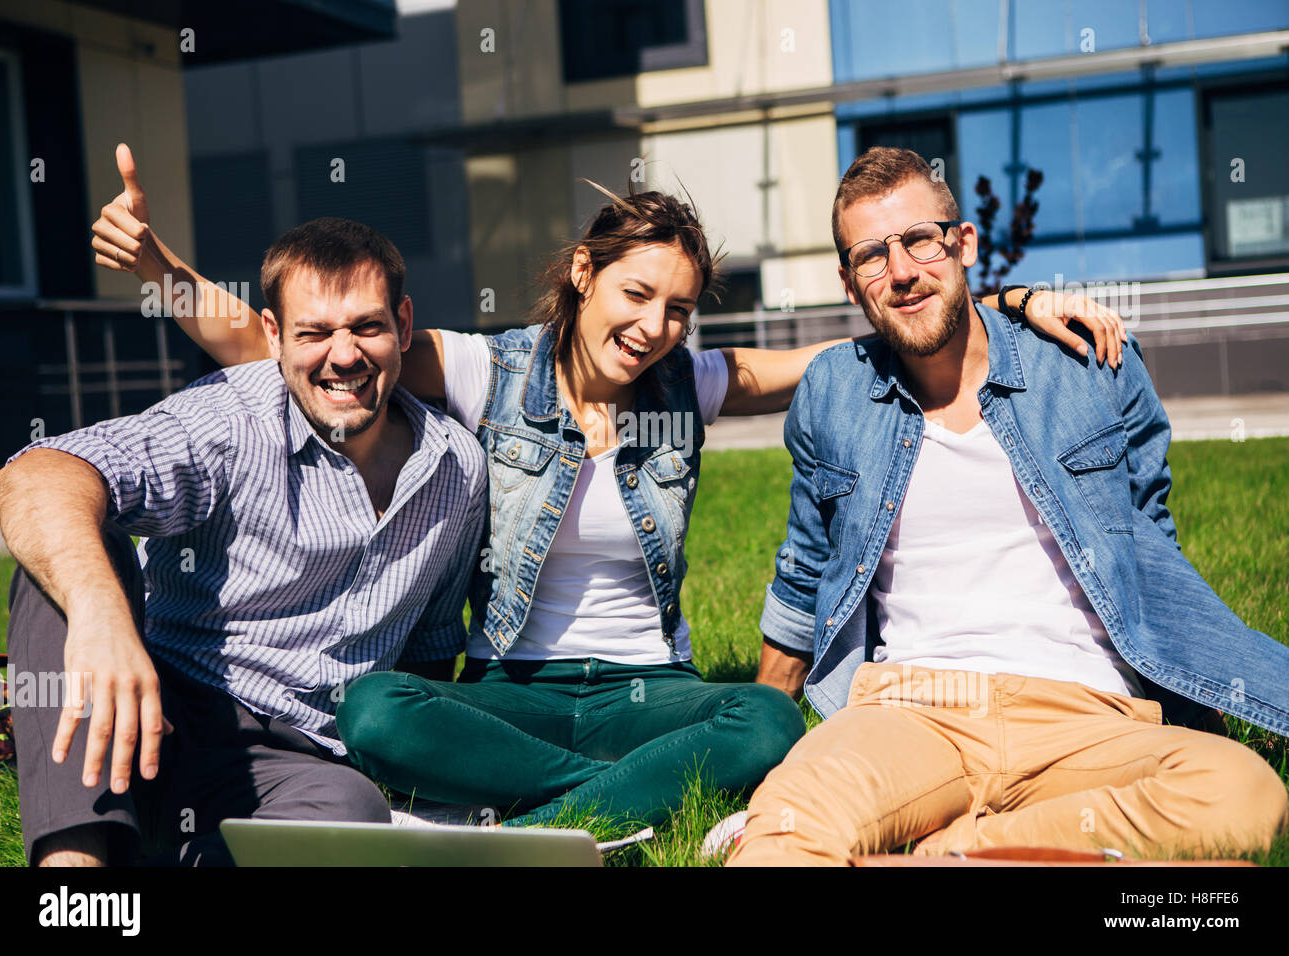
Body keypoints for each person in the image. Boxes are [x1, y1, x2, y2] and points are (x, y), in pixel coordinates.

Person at [90, 145, 1123, 829]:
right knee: (371, 712)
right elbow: (299, 344)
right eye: (637, 293)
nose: (654, 326)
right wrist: (160, 266)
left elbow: (843, 355)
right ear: (585, 272)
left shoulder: (688, 383)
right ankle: (608, 812)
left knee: (766, 725)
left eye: (677, 308)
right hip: (510, 690)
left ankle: (532, 832)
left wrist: (1000, 298)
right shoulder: (487, 369)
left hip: (650, 692)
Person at [728, 147, 1289, 865]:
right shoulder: (833, 391)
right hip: (907, 711)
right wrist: (765, 759)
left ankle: (952, 852)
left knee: (1242, 794)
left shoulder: (1089, 365)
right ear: (848, 282)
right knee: (784, 830)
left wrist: (1197, 701)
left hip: (1085, 711)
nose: (900, 271)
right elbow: (804, 573)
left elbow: (1153, 552)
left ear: (962, 244)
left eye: (919, 240)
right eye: (872, 255)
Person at [0, 215, 486, 865]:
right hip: (153, 715)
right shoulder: (228, 419)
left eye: (366, 327)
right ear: (276, 336)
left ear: (402, 324)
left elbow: (428, 648)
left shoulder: (456, 467)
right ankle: (75, 881)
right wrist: (103, 616)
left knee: (353, 813)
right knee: (70, 559)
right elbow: (38, 471)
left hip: (297, 767)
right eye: (314, 333)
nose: (343, 356)